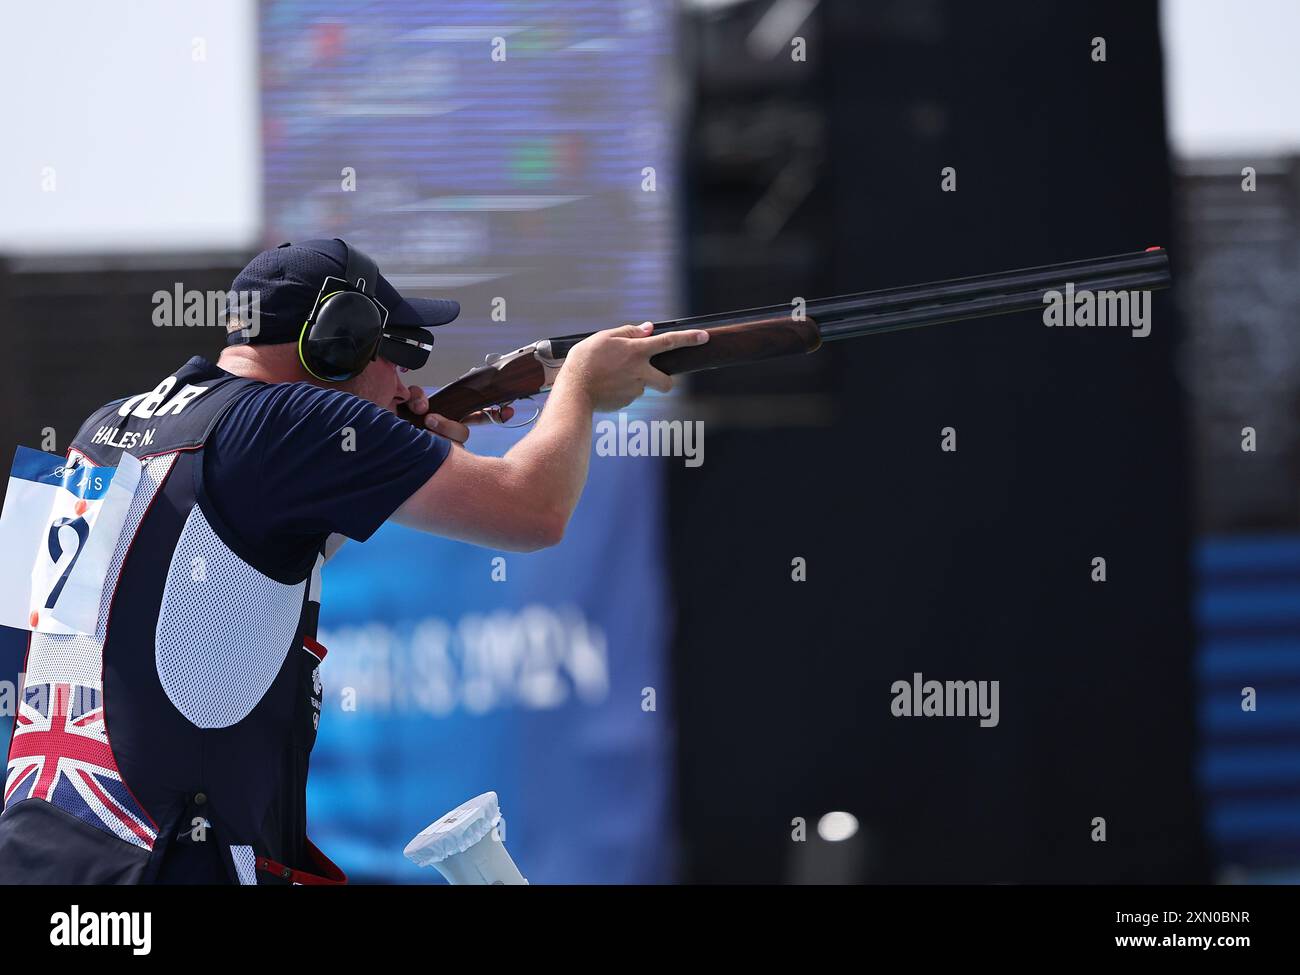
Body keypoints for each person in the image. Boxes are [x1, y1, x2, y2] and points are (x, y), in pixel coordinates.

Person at [0, 238, 706, 883]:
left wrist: (386, 458)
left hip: (45, 851)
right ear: (337, 342)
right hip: (167, 862)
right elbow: (534, 510)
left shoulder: (108, 424)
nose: (405, 380)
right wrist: (579, 387)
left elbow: (230, 569)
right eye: (396, 352)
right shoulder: (286, 420)